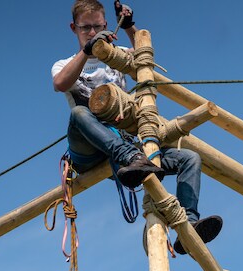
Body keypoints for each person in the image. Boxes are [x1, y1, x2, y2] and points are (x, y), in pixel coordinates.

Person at [51, 0, 221, 255]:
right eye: (86, 28)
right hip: (89, 148)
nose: (93, 33)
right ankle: (130, 157)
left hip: (126, 149)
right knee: (79, 112)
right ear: (74, 28)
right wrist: (87, 51)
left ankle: (189, 225)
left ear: (106, 25)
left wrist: (130, 26)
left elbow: (143, 60)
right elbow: (60, 83)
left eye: (97, 27)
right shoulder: (65, 63)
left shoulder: (116, 55)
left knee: (190, 158)